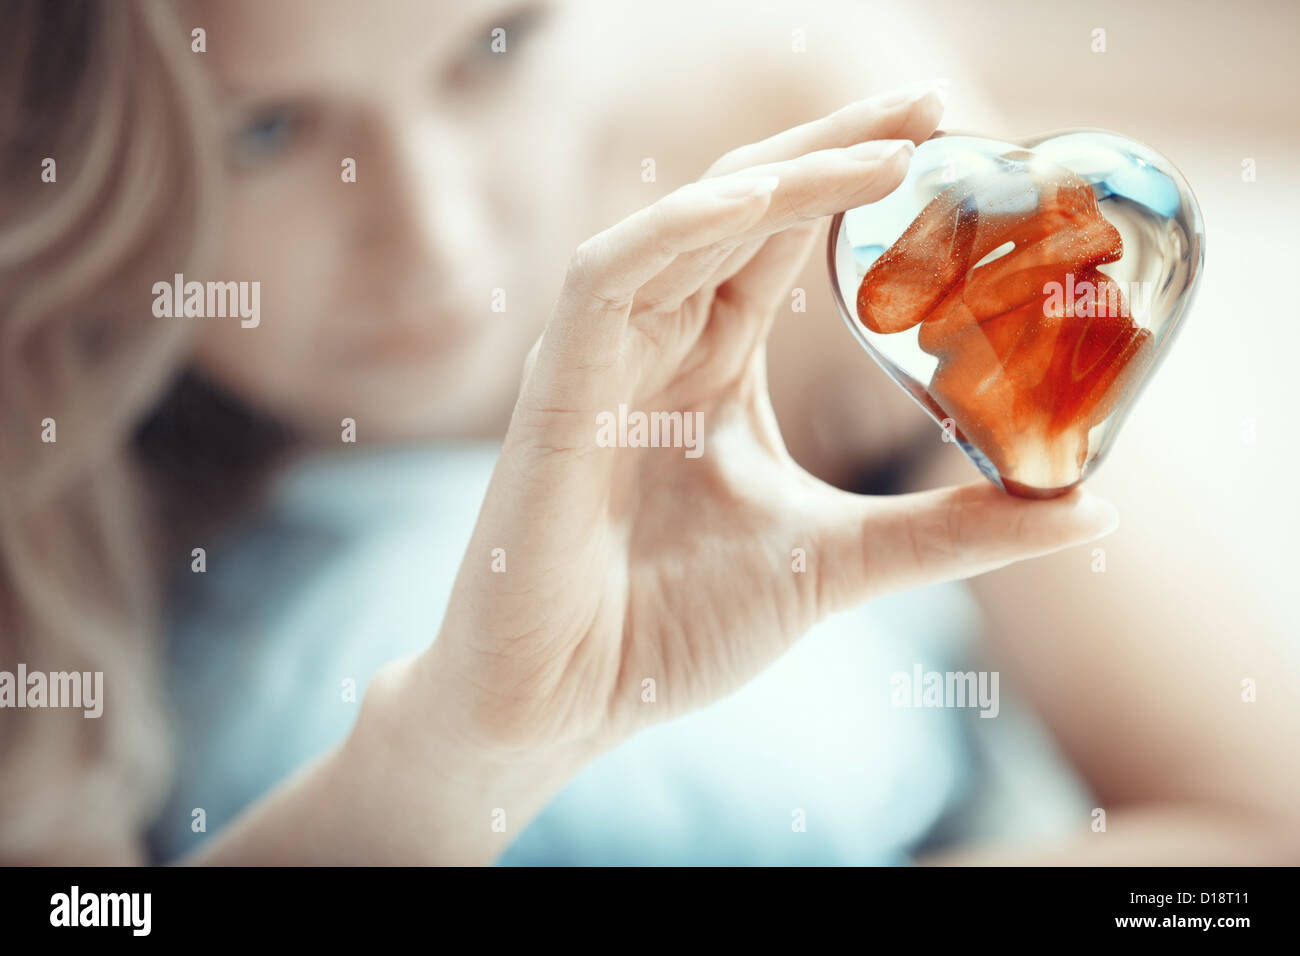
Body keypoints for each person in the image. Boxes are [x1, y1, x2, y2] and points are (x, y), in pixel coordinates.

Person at [1, 0, 1295, 865]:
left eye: (495, 47)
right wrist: (462, 753)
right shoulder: (48, 429)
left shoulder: (815, 170)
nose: (438, 241)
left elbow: (1244, 830)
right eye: (266, 133)